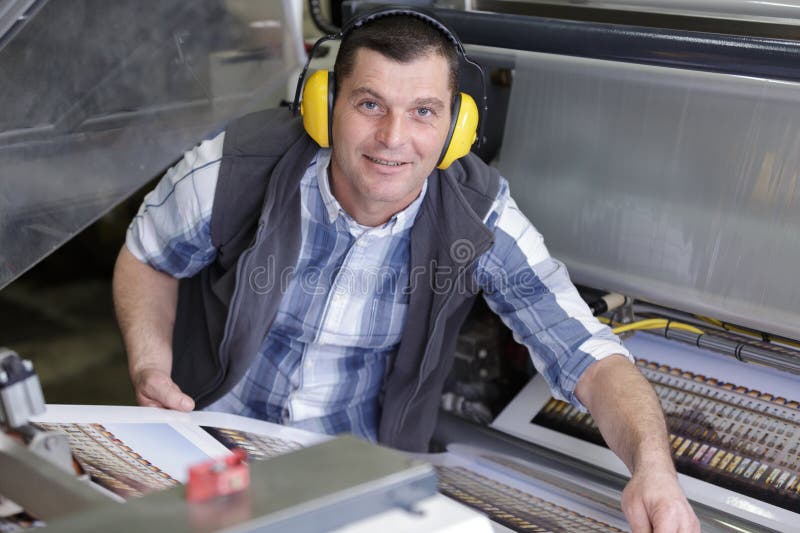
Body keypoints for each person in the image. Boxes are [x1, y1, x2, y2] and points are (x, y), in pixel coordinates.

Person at [113, 7, 699, 531]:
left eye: (424, 111)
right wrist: (148, 363)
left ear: (455, 130)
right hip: (208, 441)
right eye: (370, 104)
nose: (394, 138)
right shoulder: (234, 167)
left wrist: (653, 469)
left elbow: (587, 355)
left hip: (355, 468)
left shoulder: (480, 215)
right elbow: (147, 258)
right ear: (323, 108)